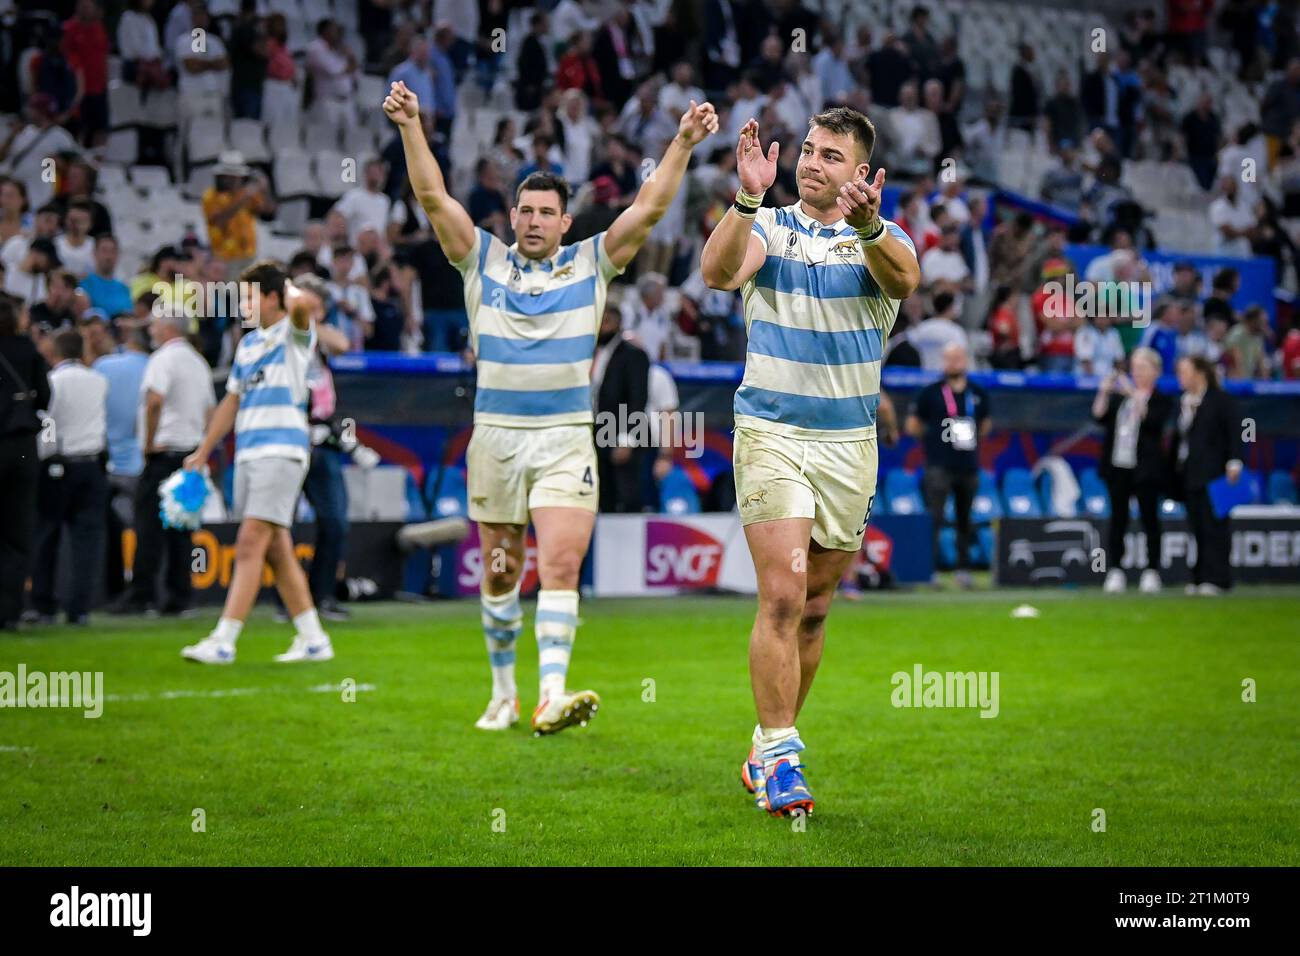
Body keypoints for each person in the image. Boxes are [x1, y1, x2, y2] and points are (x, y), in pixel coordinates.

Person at [383, 78, 718, 734]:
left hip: (565, 438)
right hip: (497, 438)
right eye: (526, 211)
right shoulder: (480, 260)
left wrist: (681, 142)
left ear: (565, 222)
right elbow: (431, 195)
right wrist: (410, 125)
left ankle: (550, 695)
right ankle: (504, 691)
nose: (534, 221)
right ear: (513, 217)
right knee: (502, 571)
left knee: (561, 563)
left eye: (546, 212)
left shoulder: (592, 264)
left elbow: (647, 211)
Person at [699, 107, 920, 817]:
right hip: (771, 434)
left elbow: (905, 280)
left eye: (831, 156)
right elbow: (717, 272)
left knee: (817, 609)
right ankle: (784, 754)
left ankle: (764, 746)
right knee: (785, 597)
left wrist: (869, 227)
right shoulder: (769, 224)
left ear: (862, 173)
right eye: (808, 150)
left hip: (848, 447)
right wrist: (746, 197)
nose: (811, 162)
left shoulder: (881, 240)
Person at [178, 262, 334, 663]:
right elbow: (232, 400)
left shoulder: (295, 335)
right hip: (248, 453)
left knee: (248, 543)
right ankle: (314, 639)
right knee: (276, 551)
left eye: (248, 296)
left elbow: (301, 311)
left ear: (270, 297)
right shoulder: (247, 345)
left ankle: (224, 640)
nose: (242, 305)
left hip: (281, 453)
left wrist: (290, 288)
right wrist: (204, 448)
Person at [111, 311, 214, 615]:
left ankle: (142, 595)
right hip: (191, 455)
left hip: (164, 453)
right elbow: (210, 410)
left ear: (168, 328)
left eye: (155, 325)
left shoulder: (162, 359)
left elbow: (154, 401)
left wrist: (148, 444)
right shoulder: (198, 362)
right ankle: (179, 597)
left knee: (149, 527)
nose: (151, 330)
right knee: (182, 529)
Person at [31, 328, 108, 626]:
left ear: (56, 352)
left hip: (59, 465)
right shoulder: (99, 381)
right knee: (86, 541)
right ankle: (80, 609)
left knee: (46, 535)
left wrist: (44, 454)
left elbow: (48, 422)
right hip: (92, 465)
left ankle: (43, 604)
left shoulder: (52, 381)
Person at [906, 342, 990, 590]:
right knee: (936, 517)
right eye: (949, 359)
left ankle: (963, 570)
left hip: (968, 465)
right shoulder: (931, 392)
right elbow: (912, 425)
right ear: (943, 361)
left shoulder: (977, 392)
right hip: (939, 465)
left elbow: (985, 424)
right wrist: (933, 439)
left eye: (958, 358)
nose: (954, 363)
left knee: (966, 518)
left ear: (965, 360)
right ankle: (930, 570)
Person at [1092, 348, 1173, 594]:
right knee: (1118, 519)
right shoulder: (1120, 398)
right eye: (1134, 368)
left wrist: (1135, 394)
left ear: (1155, 372)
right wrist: (1104, 391)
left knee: (1150, 518)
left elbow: (1151, 421)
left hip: (1146, 468)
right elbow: (1098, 416)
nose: (1136, 373)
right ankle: (1115, 569)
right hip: (1118, 465)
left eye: (1142, 368)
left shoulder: (1161, 399)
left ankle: (1151, 570)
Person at [1171, 355, 1243, 595]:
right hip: (1190, 473)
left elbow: (1235, 432)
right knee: (1197, 527)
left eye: (1185, 371)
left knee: (1215, 526)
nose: (1181, 377)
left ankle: (1218, 578)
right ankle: (1199, 577)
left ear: (1200, 373)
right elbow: (1181, 439)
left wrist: (1235, 461)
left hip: (1216, 472)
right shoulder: (1184, 402)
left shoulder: (1222, 400)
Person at [0, 297, 52, 631]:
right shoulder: (27, 349)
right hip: (21, 447)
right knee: (17, 533)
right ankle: (10, 610)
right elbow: (45, 398)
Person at [93, 319, 149, 601]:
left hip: (107, 461)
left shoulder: (103, 366)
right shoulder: (153, 365)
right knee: (142, 529)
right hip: (141, 461)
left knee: (108, 530)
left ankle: (110, 589)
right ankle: (138, 586)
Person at [592, 288, 651, 513]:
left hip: (620, 433)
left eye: (607, 320)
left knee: (627, 497)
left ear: (617, 322)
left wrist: (626, 439)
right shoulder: (592, 352)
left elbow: (638, 399)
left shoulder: (633, 354)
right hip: (597, 431)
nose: (602, 325)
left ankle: (628, 547)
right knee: (602, 496)